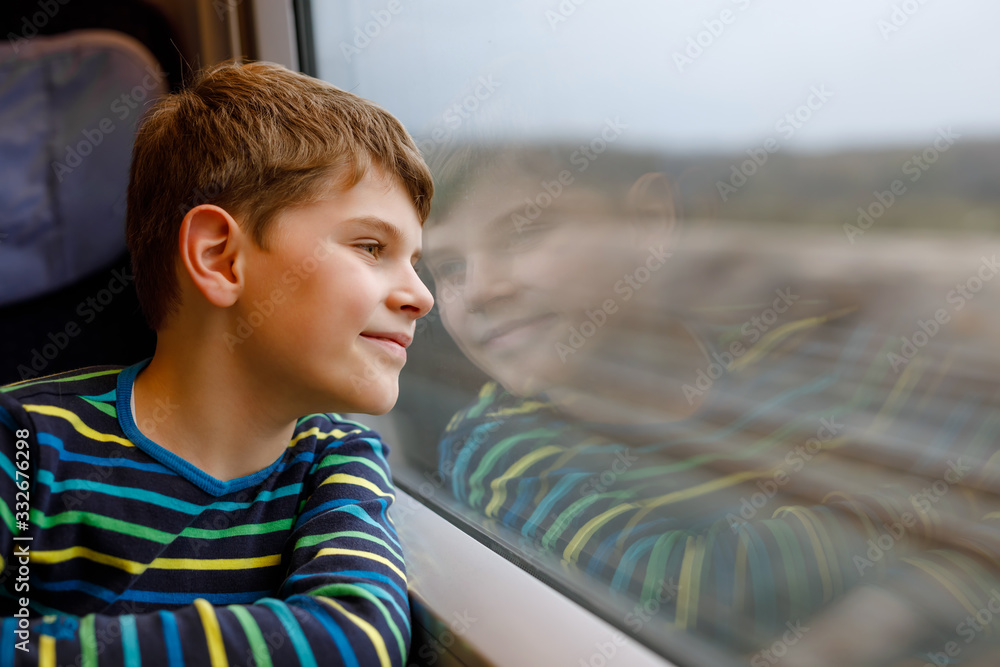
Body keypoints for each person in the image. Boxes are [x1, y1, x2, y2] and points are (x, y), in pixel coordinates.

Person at [421, 144, 1000, 665]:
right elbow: (710, 591)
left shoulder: (777, 348)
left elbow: (976, 442)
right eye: (449, 267)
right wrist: (939, 517)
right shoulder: (502, 455)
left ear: (649, 222)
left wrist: (898, 593)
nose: (481, 288)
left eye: (524, 231)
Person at [0, 61, 434, 666]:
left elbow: (356, 637)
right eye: (371, 247)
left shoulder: (336, 460)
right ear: (220, 258)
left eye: (415, 260)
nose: (422, 295)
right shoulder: (23, 443)